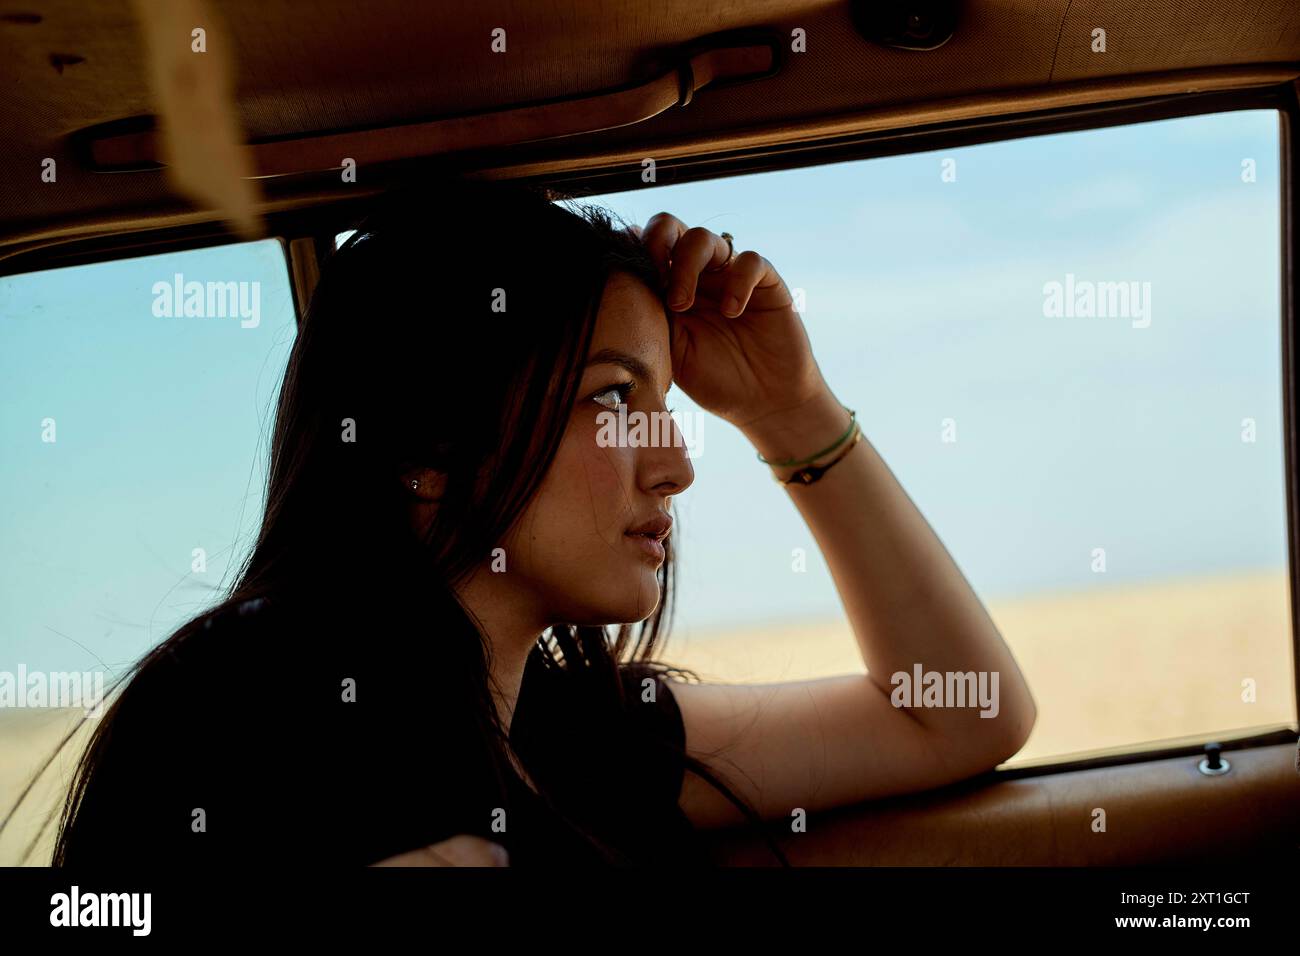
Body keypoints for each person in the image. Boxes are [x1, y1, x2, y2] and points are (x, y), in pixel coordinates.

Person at [33, 179, 1036, 867]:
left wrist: (790, 410)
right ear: (425, 448)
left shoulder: (555, 727)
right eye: (610, 399)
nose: (678, 464)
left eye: (665, 403)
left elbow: (957, 711)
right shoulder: (271, 712)